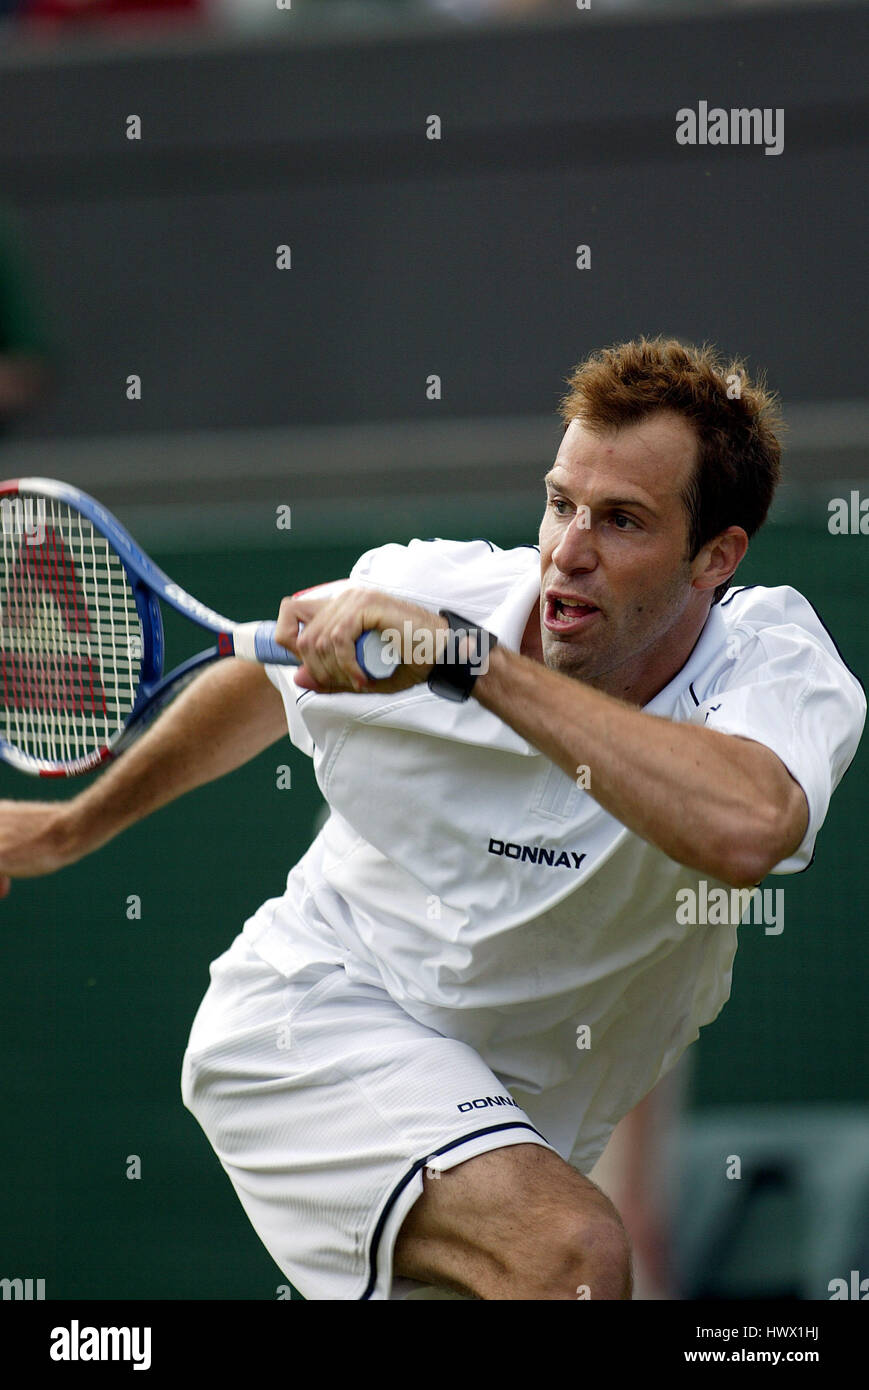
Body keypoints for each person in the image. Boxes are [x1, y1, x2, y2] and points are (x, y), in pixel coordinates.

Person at [0, 337, 863, 1301]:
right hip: (311, 1027)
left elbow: (747, 827)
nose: (568, 553)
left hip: (522, 1119)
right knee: (572, 1258)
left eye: (621, 521)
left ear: (716, 556)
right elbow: (262, 675)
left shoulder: (771, 663)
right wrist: (68, 828)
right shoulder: (428, 594)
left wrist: (475, 668)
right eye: (559, 504)